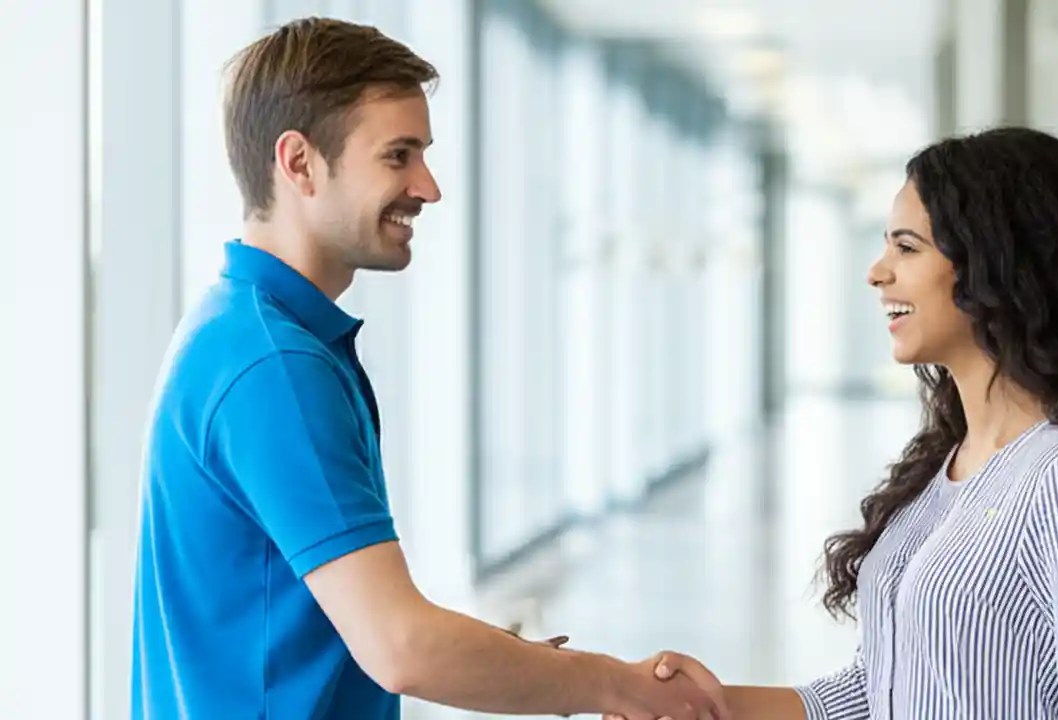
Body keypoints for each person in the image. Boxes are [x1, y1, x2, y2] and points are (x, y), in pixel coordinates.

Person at [130, 17, 728, 720]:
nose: (429, 186)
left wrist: (512, 660)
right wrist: (610, 684)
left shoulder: (241, 330)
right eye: (398, 155)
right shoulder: (276, 368)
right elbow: (399, 646)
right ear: (299, 164)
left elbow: (339, 617)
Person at [637, 127, 1058, 719]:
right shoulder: (951, 463)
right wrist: (700, 707)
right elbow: (877, 690)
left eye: (907, 248)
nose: (877, 272)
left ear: (996, 265)